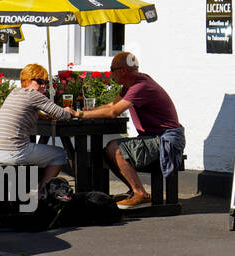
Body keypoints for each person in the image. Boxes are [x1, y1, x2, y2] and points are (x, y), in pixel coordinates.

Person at [79, 51, 185, 210]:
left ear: (122, 70)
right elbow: (111, 106)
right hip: (156, 137)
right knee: (105, 153)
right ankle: (133, 190)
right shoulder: (132, 84)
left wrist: (80, 114)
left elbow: (114, 112)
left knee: (115, 148)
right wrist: (87, 112)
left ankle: (139, 193)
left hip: (166, 140)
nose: (110, 73)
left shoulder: (140, 86)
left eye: (112, 69)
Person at [0, 65, 78, 185]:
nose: (43, 86)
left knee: (40, 152)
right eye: (40, 81)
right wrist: (70, 111)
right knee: (60, 154)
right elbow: (61, 114)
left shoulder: (14, 93)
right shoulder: (34, 95)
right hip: (13, 151)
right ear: (27, 80)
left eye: (45, 82)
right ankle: (42, 193)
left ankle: (33, 188)